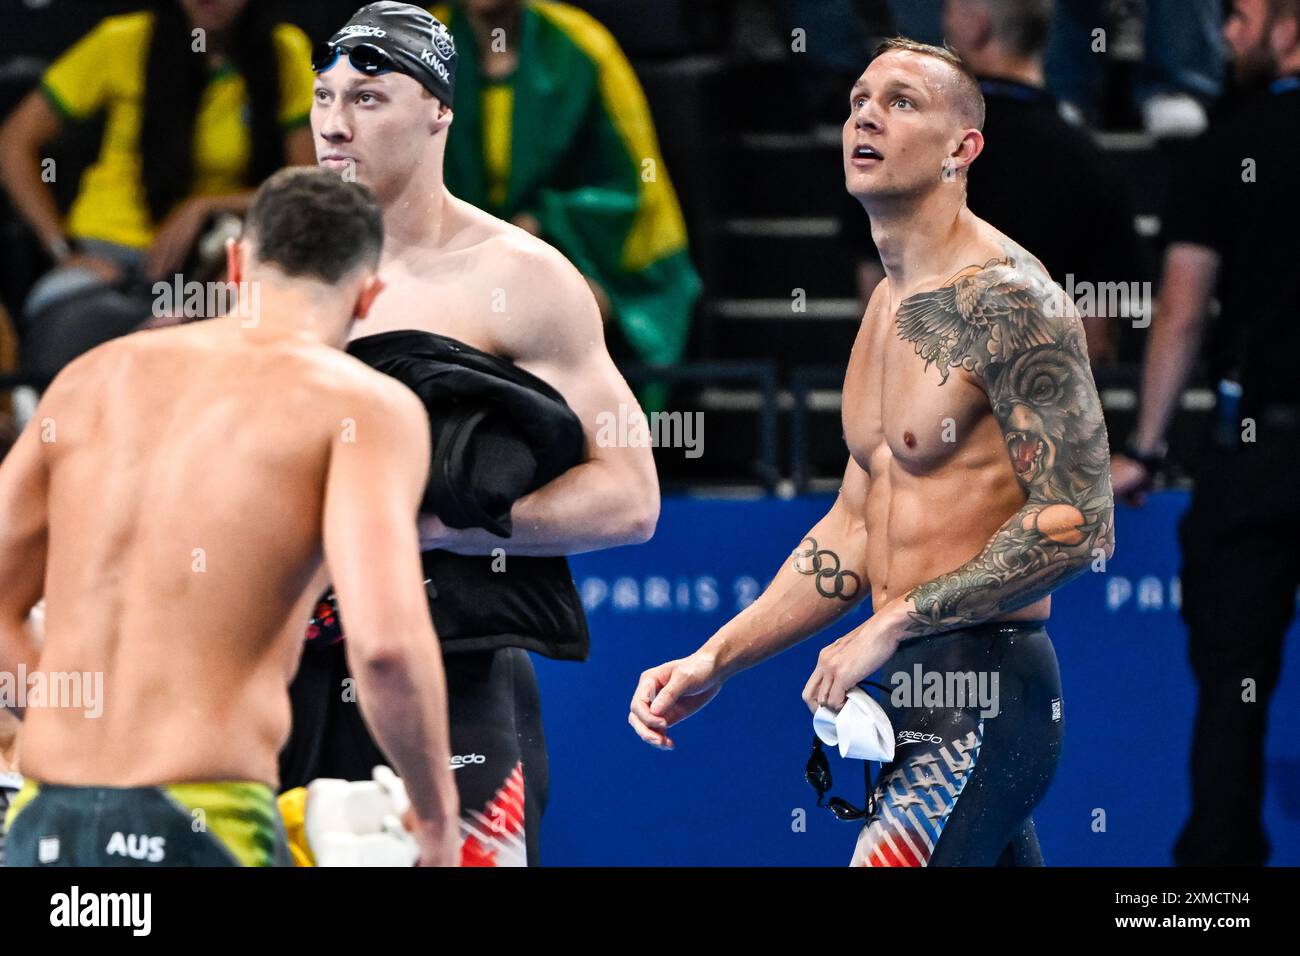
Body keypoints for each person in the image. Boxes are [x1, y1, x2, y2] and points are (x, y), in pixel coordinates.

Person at [629, 38, 1115, 866]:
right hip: (916, 679)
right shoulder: (889, 305)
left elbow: (1081, 523)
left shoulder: (1008, 299)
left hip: (983, 685)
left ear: (963, 148)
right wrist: (718, 657)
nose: (865, 113)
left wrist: (895, 620)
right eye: (858, 98)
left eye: (901, 102)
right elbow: (854, 527)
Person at [283, 2, 659, 867]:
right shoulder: (278, 270)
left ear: (439, 110)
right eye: (323, 97)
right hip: (293, 674)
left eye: (369, 98)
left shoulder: (518, 278)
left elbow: (630, 499)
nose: (334, 125)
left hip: (454, 669)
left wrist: (438, 527)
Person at [0, 167, 460, 867]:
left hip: (45, 818)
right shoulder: (364, 405)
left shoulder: (89, 379)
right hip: (200, 816)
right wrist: (435, 816)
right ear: (368, 294)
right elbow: (386, 646)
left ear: (239, 264)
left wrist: (71, 728)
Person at [1110, 0, 1300, 866]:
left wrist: (1145, 450)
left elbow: (1181, 312)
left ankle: (1219, 888)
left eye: (1242, 16)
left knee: (1232, 686)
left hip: (1257, 457)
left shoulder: (1229, 144)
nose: (1225, 33)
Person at [0, 0, 315, 367]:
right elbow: (14, 141)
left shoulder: (284, 50)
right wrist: (62, 251)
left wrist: (206, 206)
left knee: (256, 315)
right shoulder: (123, 40)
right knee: (64, 321)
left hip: (212, 261)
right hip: (107, 258)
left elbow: (306, 183)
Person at [432, 0, 701, 377]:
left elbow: (633, 186)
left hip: (567, 250)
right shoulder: (417, 49)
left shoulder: (581, 46)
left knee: (567, 308)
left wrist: (543, 221)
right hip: (444, 253)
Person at [941, 0, 1142, 365]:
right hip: (1051, 407)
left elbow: (881, 312)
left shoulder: (918, 156)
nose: (945, 24)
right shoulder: (1094, 166)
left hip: (932, 408)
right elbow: (1097, 339)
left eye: (950, 9)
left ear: (978, 26)